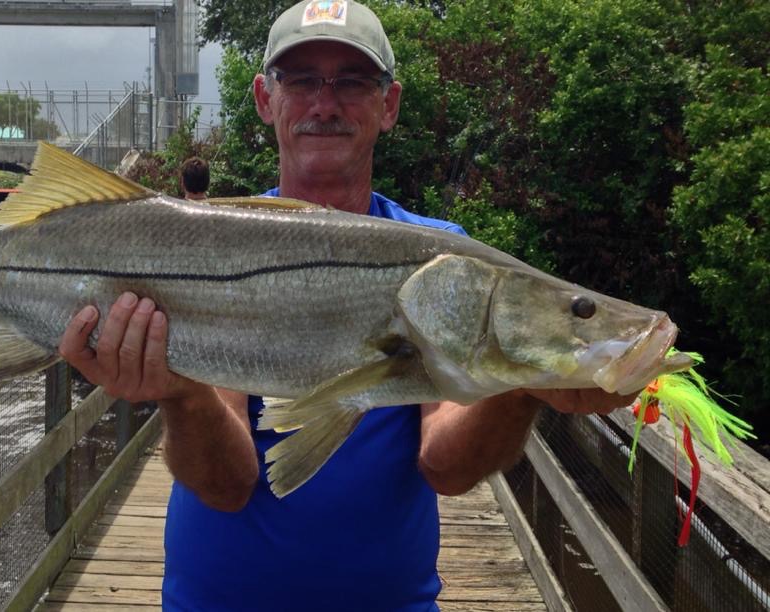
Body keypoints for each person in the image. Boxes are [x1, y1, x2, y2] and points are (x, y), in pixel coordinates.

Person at [58, 1, 637, 609]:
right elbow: (228, 486)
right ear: (265, 99)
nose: (325, 103)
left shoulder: (447, 265)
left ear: (389, 105)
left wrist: (523, 389)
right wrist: (182, 393)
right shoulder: (219, 243)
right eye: (301, 79)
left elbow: (447, 468)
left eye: (353, 82)